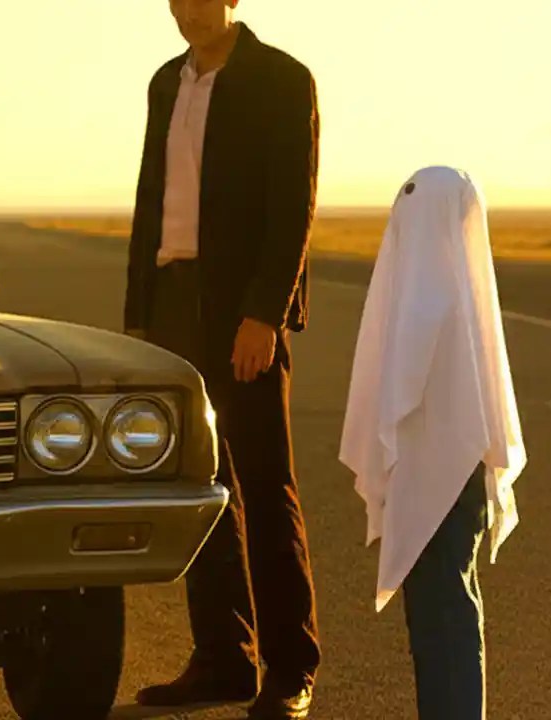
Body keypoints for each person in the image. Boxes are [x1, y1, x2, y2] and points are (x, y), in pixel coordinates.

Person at [122, 1, 320, 718]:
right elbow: (151, 199)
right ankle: (222, 659)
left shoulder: (281, 80)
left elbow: (292, 205)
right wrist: (138, 316)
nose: (189, 10)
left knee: (266, 489)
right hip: (174, 302)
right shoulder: (164, 83)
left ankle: (291, 667)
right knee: (198, 491)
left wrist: (265, 314)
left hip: (241, 314)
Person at [338, 166, 528, 719]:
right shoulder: (460, 298)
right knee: (443, 608)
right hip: (448, 475)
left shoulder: (420, 301)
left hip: (442, 479)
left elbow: (395, 390)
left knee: (443, 609)